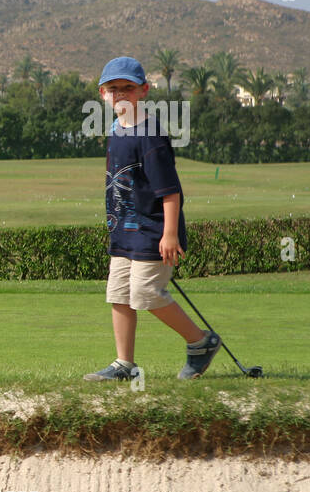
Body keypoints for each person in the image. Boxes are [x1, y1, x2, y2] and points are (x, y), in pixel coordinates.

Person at [84, 56, 221, 381]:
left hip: (153, 233)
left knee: (146, 293)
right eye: (113, 89)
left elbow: (170, 191)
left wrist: (170, 233)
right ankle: (124, 365)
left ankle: (200, 342)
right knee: (118, 294)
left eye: (127, 88)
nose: (120, 94)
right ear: (103, 93)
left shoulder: (150, 135)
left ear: (143, 90)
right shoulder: (117, 129)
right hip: (124, 234)